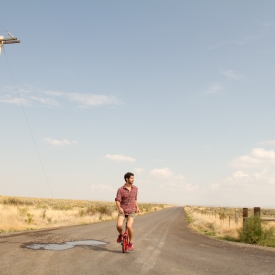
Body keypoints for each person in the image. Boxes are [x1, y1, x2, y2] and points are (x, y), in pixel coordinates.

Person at [115, 172, 140, 251]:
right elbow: (118, 201)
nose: (133, 180)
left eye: (133, 178)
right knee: (119, 225)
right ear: (127, 179)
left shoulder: (135, 189)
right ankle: (120, 234)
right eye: (132, 178)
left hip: (132, 211)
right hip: (123, 210)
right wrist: (119, 208)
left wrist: (137, 207)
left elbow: (135, 199)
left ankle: (130, 242)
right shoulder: (120, 190)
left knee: (129, 226)